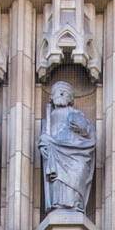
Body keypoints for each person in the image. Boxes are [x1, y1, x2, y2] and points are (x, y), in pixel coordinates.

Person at [38, 80, 96, 212]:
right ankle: (59, 204)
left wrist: (80, 126)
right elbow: (44, 139)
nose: (62, 93)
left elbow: (87, 130)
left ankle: (74, 203)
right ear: (51, 97)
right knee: (58, 180)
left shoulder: (76, 113)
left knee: (78, 171)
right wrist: (44, 143)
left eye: (65, 92)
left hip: (75, 153)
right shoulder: (49, 119)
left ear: (71, 99)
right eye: (58, 91)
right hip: (57, 155)